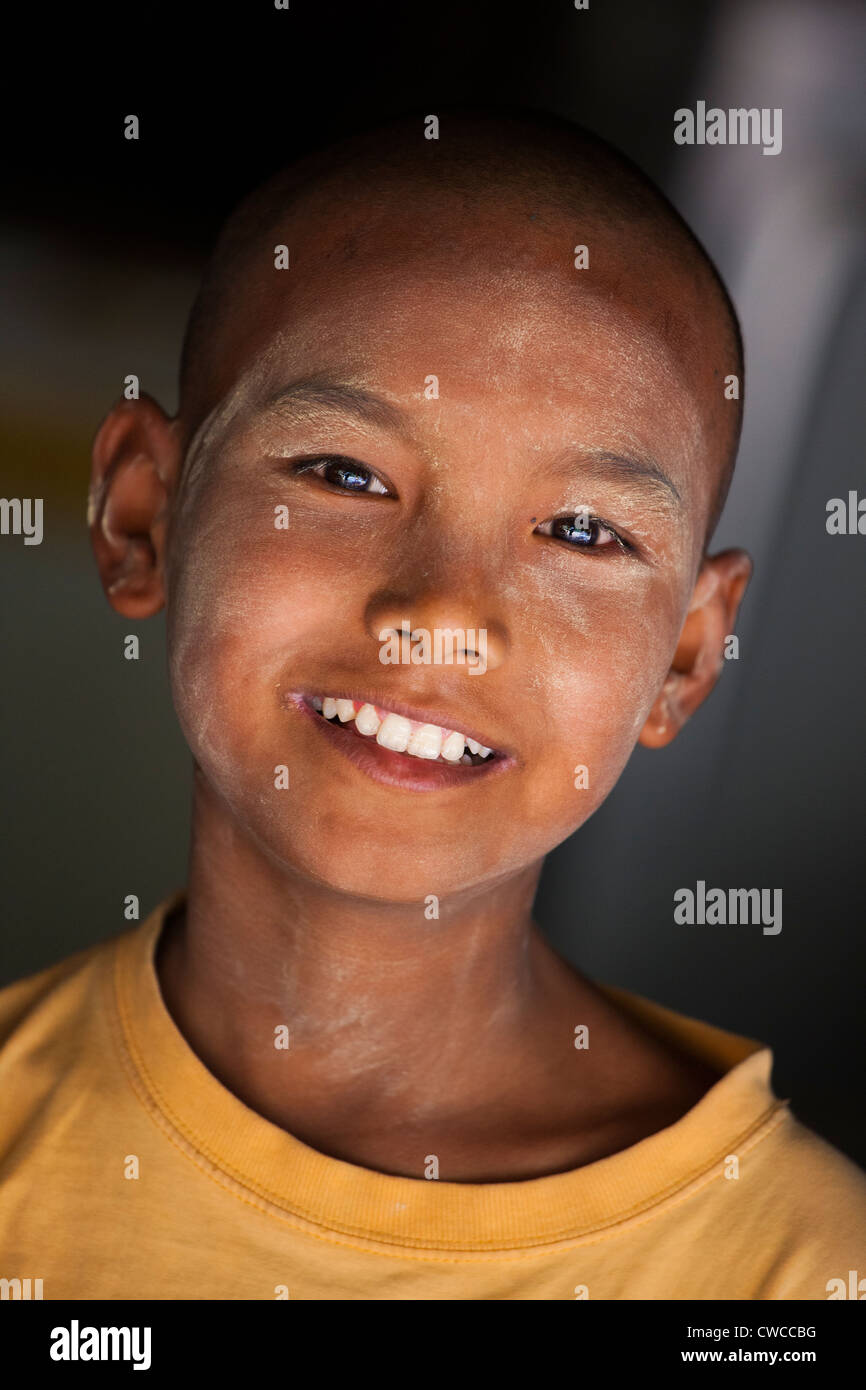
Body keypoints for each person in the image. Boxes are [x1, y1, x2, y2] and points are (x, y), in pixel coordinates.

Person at [2, 109, 864, 1300]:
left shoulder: (796, 1276)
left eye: (581, 531)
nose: (443, 616)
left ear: (683, 655)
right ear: (142, 511)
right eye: (345, 475)